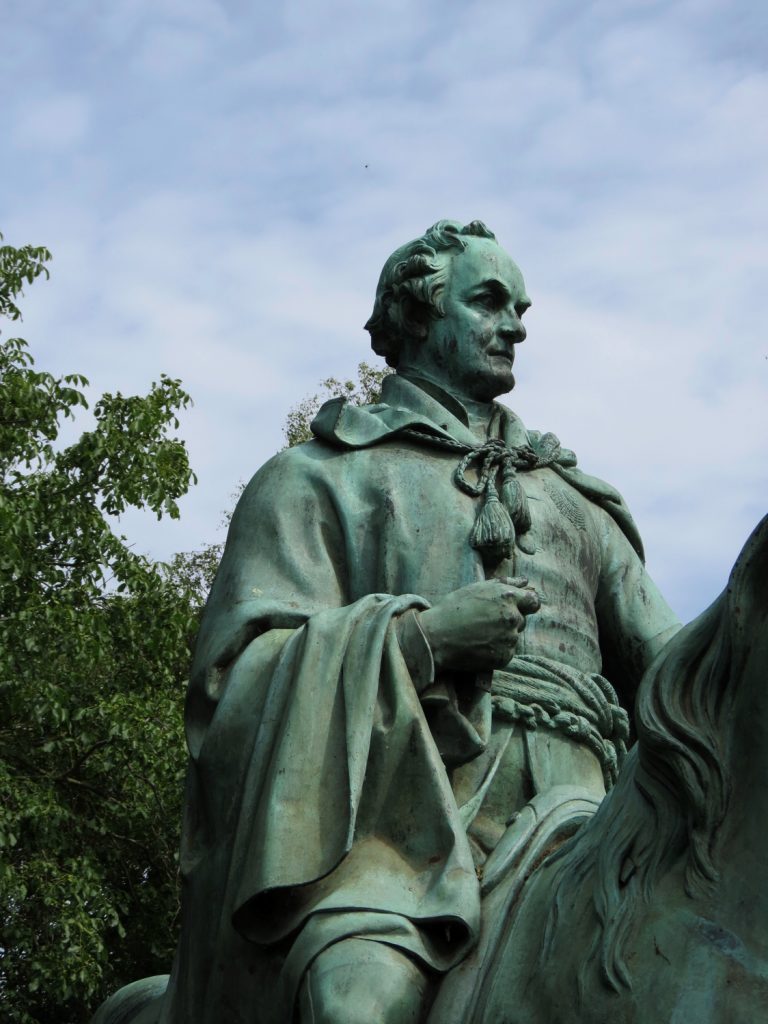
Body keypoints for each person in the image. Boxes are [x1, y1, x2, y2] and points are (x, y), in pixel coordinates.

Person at [159, 220, 680, 1024]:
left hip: (588, 828)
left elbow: (683, 677)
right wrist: (422, 641)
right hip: (391, 843)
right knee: (357, 1004)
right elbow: (236, 685)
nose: (516, 325)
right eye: (489, 301)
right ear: (418, 316)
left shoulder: (576, 501)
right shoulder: (318, 480)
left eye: (522, 308)